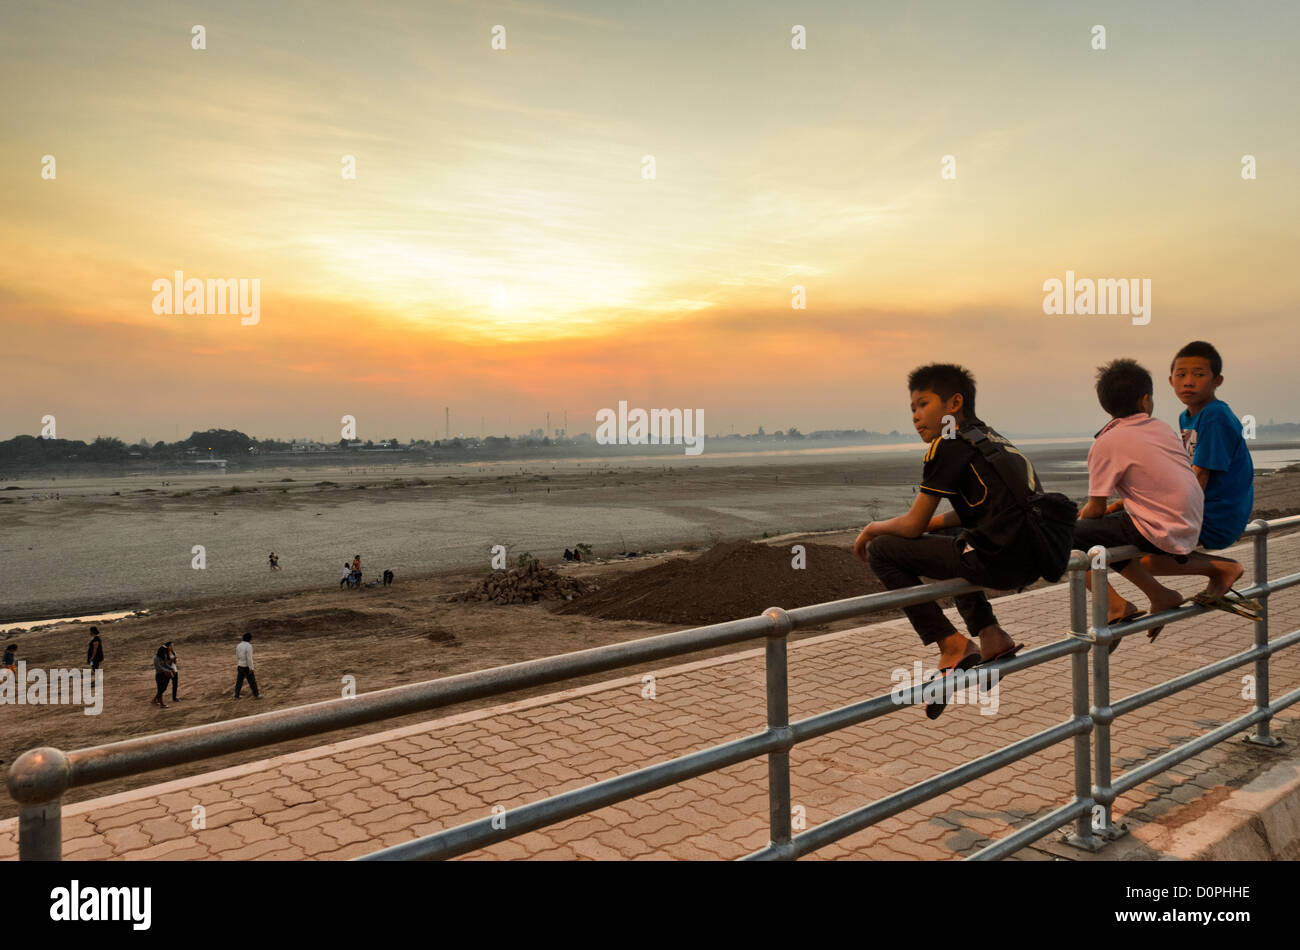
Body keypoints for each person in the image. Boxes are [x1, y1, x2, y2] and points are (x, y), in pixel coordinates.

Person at [856, 364, 1049, 717]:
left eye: (923, 404)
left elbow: (912, 527)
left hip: (1002, 560)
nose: (915, 416)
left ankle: (952, 645)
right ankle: (991, 636)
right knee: (942, 531)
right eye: (911, 408)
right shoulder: (988, 438)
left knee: (882, 550)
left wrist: (872, 528)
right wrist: (931, 525)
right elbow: (980, 510)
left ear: (954, 403)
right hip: (1033, 554)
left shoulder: (946, 443)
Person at [1072, 359, 1247, 648]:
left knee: (1072, 536)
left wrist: (1079, 519)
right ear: (1145, 400)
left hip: (1161, 528)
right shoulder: (1161, 428)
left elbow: (1095, 509)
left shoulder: (1105, 441)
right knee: (1107, 535)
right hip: (1192, 520)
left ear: (1105, 405)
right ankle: (1158, 596)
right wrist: (1119, 508)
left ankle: (1117, 607)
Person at [1127, 342, 1256, 621]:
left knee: (1136, 558)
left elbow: (1201, 474)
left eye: (1199, 374)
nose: (1189, 382)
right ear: (1171, 380)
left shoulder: (1215, 415)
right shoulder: (1188, 416)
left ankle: (1223, 569)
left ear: (1217, 380)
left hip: (1216, 514)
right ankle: (1211, 575)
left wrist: (1173, 514)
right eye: (1182, 375)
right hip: (1205, 509)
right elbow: (1186, 471)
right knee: (1135, 557)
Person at [235, 632, 259, 699]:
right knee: (252, 681)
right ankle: (256, 695)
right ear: (249, 639)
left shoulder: (238, 645)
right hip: (246, 667)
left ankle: (236, 695)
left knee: (239, 682)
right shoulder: (248, 646)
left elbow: (237, 655)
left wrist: (240, 661)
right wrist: (251, 667)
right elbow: (249, 658)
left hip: (240, 665)